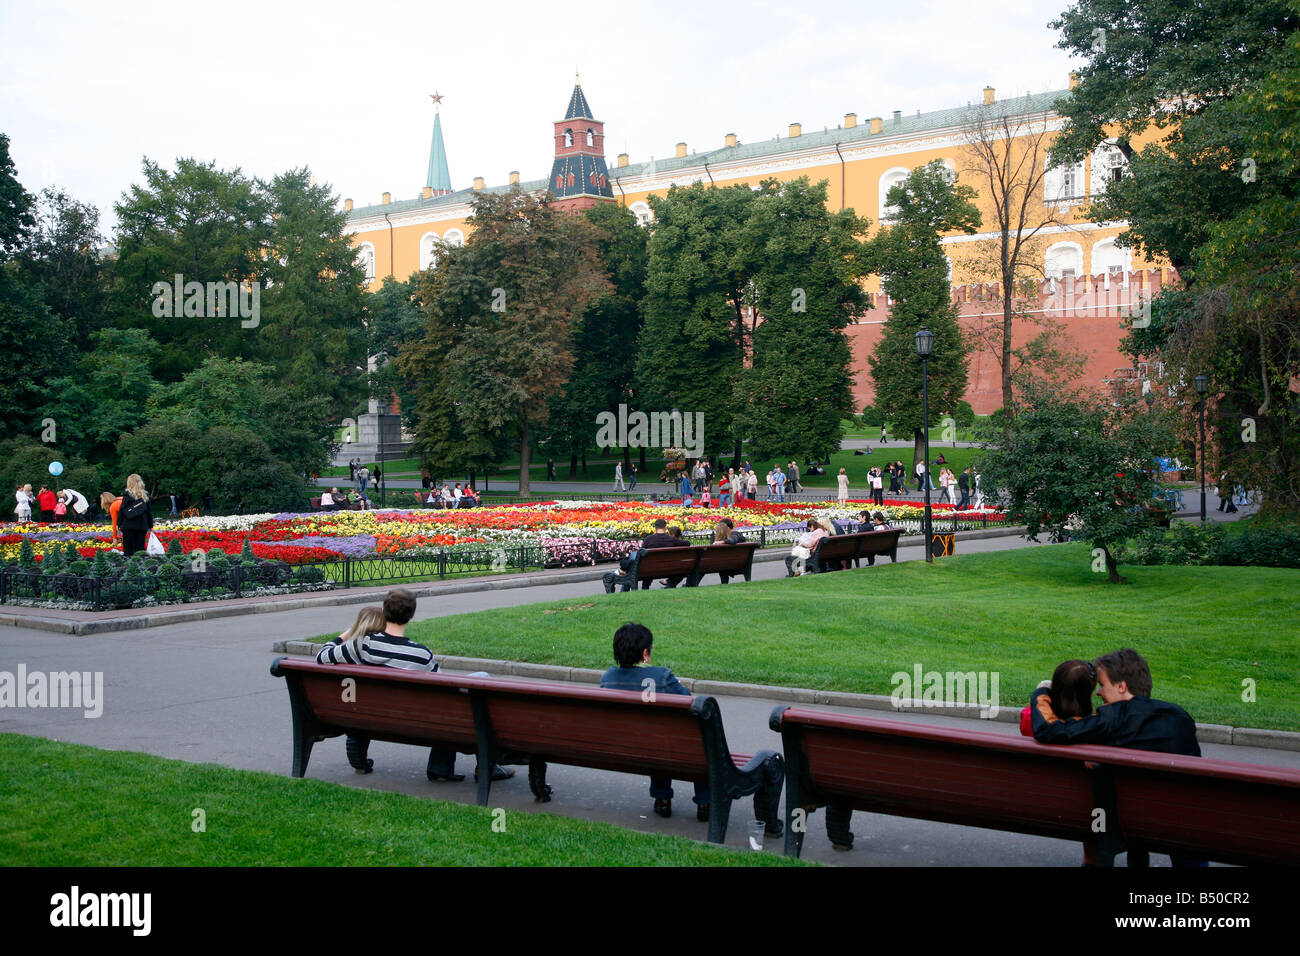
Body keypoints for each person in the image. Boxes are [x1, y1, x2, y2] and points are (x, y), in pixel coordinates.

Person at [315, 589, 514, 784]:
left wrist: (345, 635)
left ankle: (440, 766)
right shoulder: (420, 654)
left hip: (368, 717)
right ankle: (464, 766)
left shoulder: (361, 645)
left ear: (383, 612)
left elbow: (322, 657)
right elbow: (446, 694)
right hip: (415, 722)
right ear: (412, 616)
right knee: (478, 681)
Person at [1030, 648, 1204, 867]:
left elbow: (1049, 731)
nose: (1099, 693)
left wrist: (1041, 694)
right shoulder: (1180, 716)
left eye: (1103, 685)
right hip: (1184, 825)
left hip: (1127, 824)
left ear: (1122, 687)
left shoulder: (1115, 717)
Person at [599, 623, 710, 822]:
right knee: (696, 743)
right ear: (645, 653)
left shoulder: (608, 678)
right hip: (663, 748)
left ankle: (661, 798)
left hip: (623, 748)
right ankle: (705, 801)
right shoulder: (661, 676)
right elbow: (689, 702)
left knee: (654, 741)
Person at [603, 519, 688, 592]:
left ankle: (625, 587)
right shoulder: (672, 539)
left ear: (655, 528)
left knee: (633, 558)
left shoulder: (648, 539)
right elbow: (687, 543)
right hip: (667, 568)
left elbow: (641, 554)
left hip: (648, 569)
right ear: (665, 527)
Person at [119, 474, 153, 557]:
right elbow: (149, 512)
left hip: (128, 526)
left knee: (128, 552)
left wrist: (119, 523)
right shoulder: (146, 495)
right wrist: (150, 525)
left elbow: (122, 510)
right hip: (142, 526)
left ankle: (129, 568)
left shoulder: (127, 494)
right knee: (140, 550)